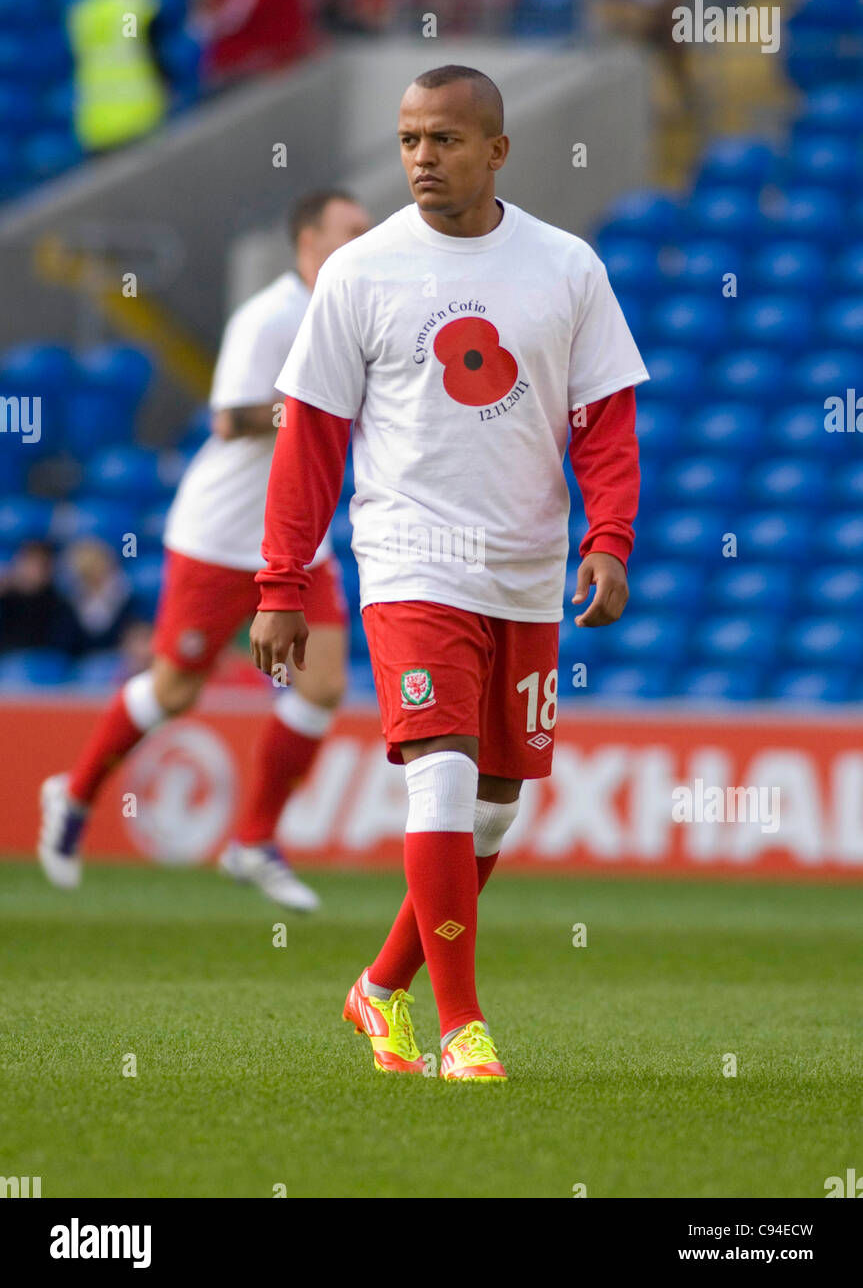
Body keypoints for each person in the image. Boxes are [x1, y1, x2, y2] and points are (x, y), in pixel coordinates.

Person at [250, 66, 648, 1080]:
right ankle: (462, 1028)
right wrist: (280, 582)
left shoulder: (565, 268)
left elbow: (603, 421)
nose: (422, 158)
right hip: (409, 556)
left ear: (497, 151)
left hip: (523, 566)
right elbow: (310, 440)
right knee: (444, 769)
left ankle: (378, 987)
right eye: (408, 140)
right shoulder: (361, 271)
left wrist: (609, 539)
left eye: (444, 141)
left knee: (497, 798)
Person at [39, 190, 372, 906]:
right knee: (175, 691)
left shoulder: (353, 315)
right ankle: (75, 792)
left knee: (321, 685)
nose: (364, 241)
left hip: (299, 541)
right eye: (351, 230)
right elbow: (228, 420)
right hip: (222, 537)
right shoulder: (272, 317)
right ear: (308, 240)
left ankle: (253, 841)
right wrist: (308, 406)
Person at [66, 0, 168, 154]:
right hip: (137, 108)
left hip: (94, 118)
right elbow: (134, 38)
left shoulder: (84, 11)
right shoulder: (131, 0)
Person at [0, 541, 79, 654]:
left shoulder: (59, 606)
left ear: (48, 570)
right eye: (26, 563)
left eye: (37, 565)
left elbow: (59, 649)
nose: (28, 571)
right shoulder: (6, 600)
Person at [62, 538, 136, 656]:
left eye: (96, 563)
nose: (93, 570)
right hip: (82, 661)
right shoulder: (71, 599)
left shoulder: (126, 595)